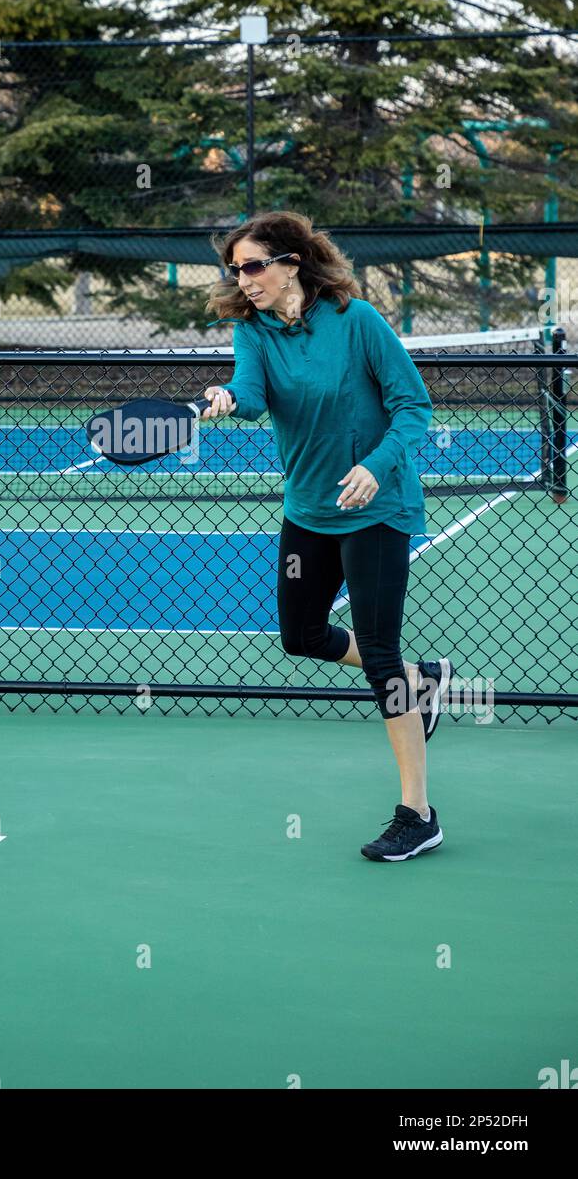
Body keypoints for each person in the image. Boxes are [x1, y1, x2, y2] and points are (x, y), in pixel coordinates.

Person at [202, 211, 452, 862]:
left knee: (375, 654)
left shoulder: (358, 322)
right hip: (309, 510)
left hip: (377, 509)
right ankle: (419, 679)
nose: (244, 278)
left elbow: (413, 407)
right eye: (236, 269)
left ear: (291, 262)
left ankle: (418, 814)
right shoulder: (253, 331)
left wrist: (374, 466)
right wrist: (227, 398)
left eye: (253, 265)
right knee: (301, 635)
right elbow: (253, 394)